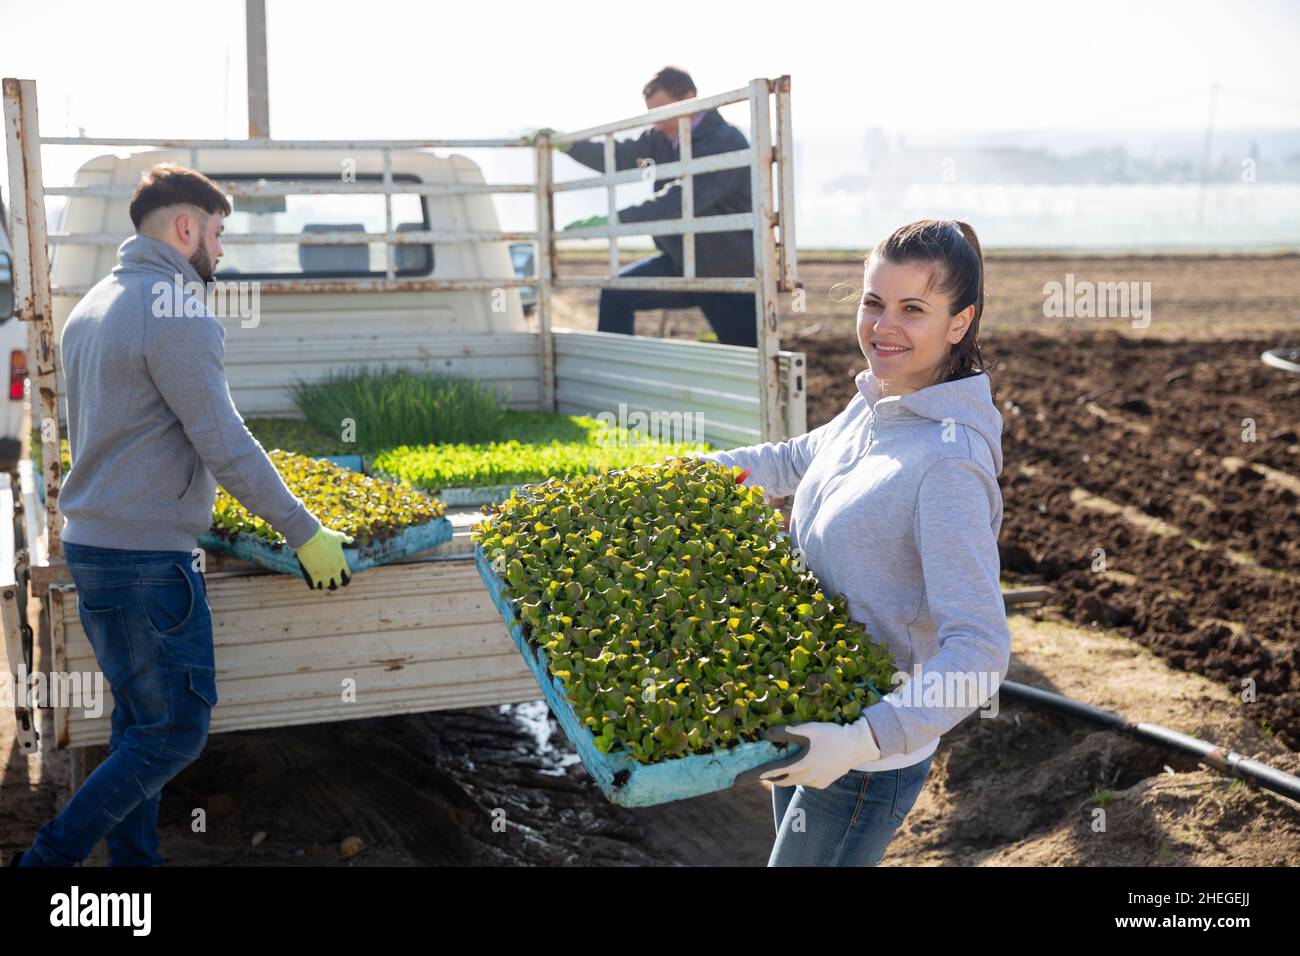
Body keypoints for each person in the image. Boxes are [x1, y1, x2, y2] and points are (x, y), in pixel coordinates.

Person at [12, 164, 353, 867]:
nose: (221, 253)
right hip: (145, 561)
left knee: (141, 724)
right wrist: (304, 530)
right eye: (219, 234)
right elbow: (225, 444)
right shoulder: (175, 309)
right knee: (174, 734)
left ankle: (135, 874)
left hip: (96, 548)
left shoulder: (94, 303)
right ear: (186, 227)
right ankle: (45, 865)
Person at [707, 219, 1011, 866]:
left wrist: (865, 738)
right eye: (873, 302)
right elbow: (796, 458)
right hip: (813, 707)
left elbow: (981, 651)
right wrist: (694, 476)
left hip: (865, 758)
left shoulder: (947, 465)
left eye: (912, 309)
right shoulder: (878, 403)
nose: (883, 326)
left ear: (960, 323)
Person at [529, 66, 758, 347]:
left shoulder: (725, 141)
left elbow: (681, 200)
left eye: (664, 112)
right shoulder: (660, 138)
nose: (658, 123)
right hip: (681, 262)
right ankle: (617, 380)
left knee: (746, 354)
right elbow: (618, 156)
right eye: (653, 115)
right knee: (616, 293)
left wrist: (619, 219)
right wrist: (569, 146)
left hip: (727, 268)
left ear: (691, 97)